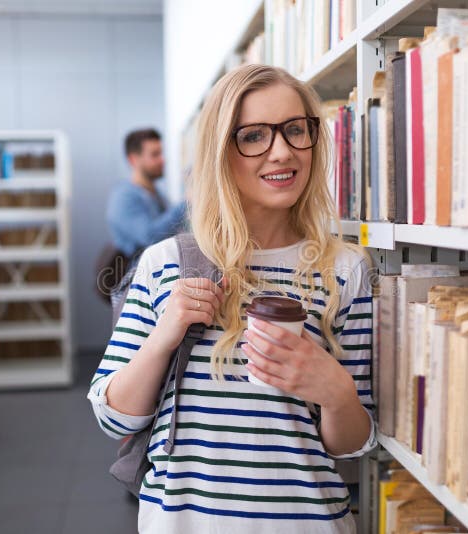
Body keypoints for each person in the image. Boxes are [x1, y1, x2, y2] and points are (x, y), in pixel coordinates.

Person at [88, 64, 375, 533]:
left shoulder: (346, 271)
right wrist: (163, 338)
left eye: (295, 130)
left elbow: (355, 445)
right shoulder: (166, 263)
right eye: (254, 136)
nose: (282, 152)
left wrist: (336, 392)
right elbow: (111, 418)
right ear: (222, 149)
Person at [106, 128, 187, 259]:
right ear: (133, 159)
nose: (162, 160)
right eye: (155, 155)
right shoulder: (123, 197)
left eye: (161, 153)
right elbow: (150, 237)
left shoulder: (156, 194)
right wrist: (187, 203)